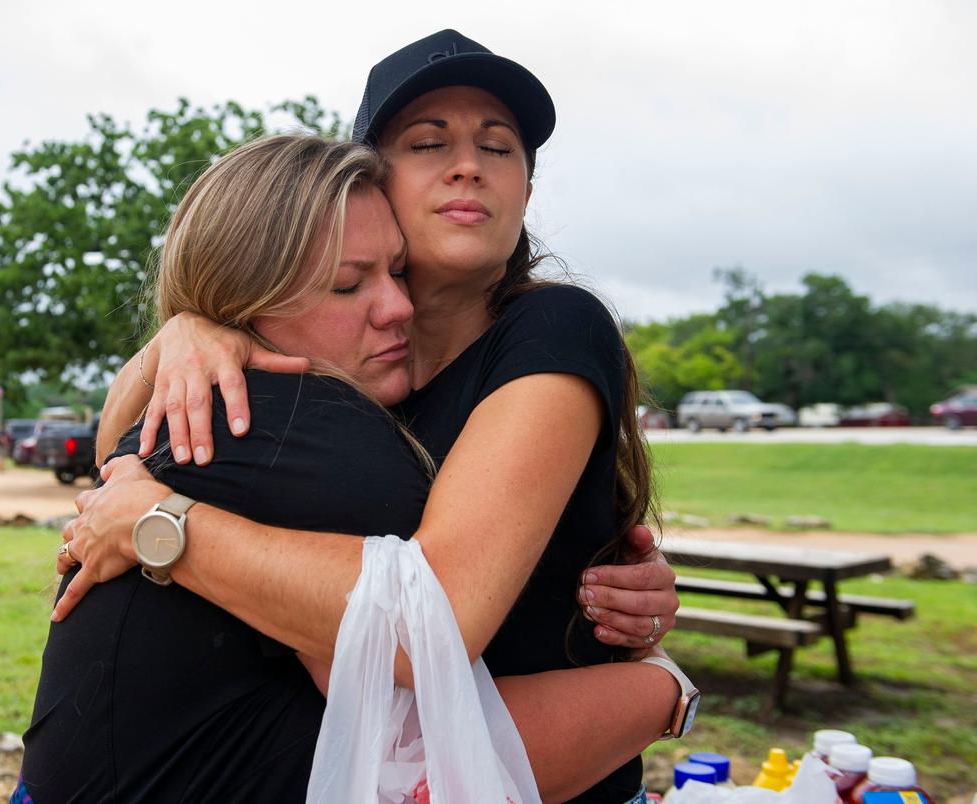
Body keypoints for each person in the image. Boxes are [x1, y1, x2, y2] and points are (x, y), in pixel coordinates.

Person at [54, 31, 686, 802]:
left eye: (499, 147)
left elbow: (435, 619)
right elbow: (120, 452)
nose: (468, 165)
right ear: (374, 182)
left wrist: (157, 523)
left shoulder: (551, 327)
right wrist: (183, 334)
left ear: (526, 190)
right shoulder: (355, 363)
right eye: (429, 143)